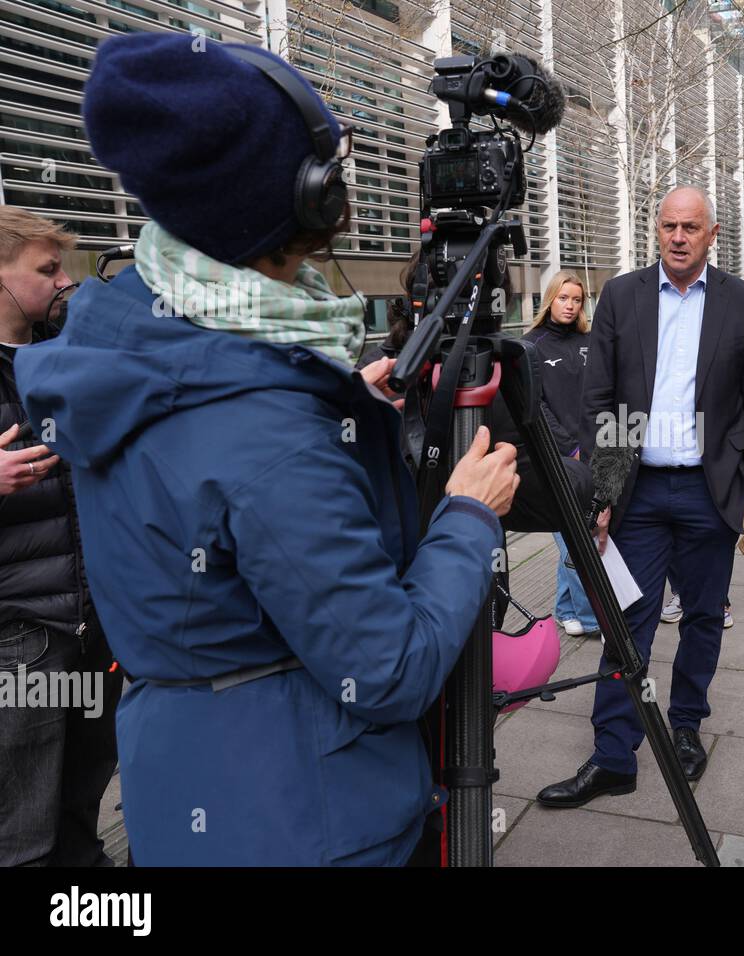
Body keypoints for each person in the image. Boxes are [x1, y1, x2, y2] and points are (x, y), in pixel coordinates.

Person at [17, 34, 518, 866]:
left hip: (188, 790)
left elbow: (207, 447)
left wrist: (341, 404)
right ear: (305, 200)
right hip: (307, 818)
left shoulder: (132, 325)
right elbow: (388, 667)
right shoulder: (268, 438)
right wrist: (468, 517)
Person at [536, 186, 744, 806]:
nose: (677, 236)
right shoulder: (623, 295)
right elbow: (602, 398)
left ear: (712, 234)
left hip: (708, 490)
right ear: (657, 230)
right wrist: (607, 490)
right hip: (639, 491)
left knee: (702, 617)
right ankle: (614, 754)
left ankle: (687, 727)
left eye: (690, 227)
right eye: (668, 225)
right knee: (627, 621)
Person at [0, 207, 124, 866]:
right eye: (46, 269)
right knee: (21, 830)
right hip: (20, 640)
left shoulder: (65, 359)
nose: (61, 283)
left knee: (81, 804)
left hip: (89, 627)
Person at [524, 270, 599, 637]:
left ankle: (565, 608)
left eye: (577, 299)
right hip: (558, 456)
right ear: (550, 299)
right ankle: (588, 617)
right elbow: (534, 406)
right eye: (563, 298)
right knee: (576, 536)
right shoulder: (531, 345)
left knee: (577, 533)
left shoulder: (591, 341)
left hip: (592, 452)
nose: (570, 305)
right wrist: (567, 446)